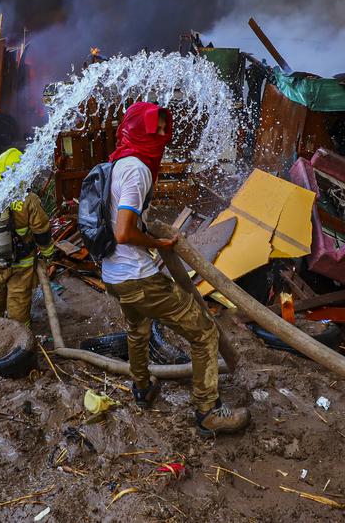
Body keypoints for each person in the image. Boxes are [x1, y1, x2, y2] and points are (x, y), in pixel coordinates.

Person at [101, 101, 249, 436]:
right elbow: (124, 231)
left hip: (114, 274)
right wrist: (160, 245)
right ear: (140, 130)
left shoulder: (120, 161)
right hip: (137, 277)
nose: (164, 136)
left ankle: (142, 388)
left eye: (165, 128)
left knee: (137, 330)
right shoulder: (137, 169)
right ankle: (209, 411)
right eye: (157, 129)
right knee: (204, 333)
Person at [0, 148, 53, 324]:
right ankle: (18, 334)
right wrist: (47, 253)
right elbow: (42, 230)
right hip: (23, 262)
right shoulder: (28, 199)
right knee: (19, 295)